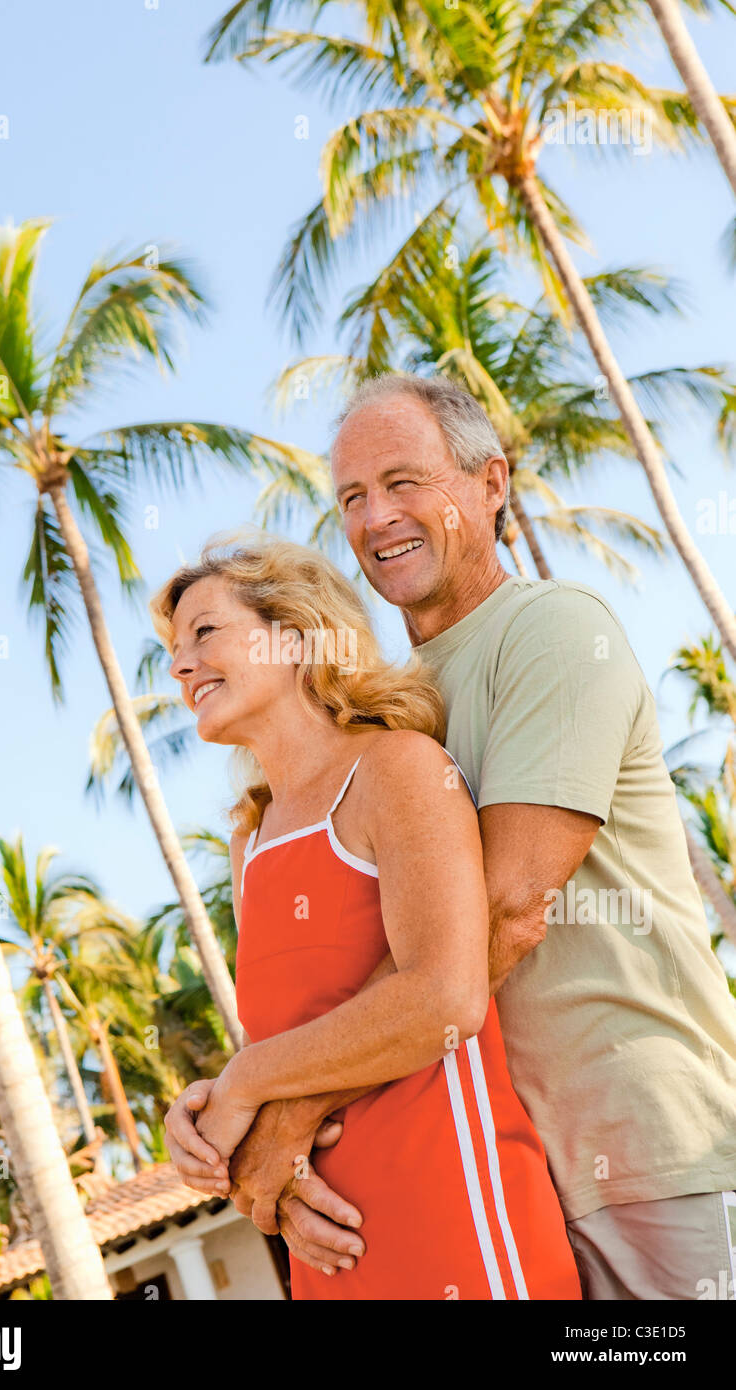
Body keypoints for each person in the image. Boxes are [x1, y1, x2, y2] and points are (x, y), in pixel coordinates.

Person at [166, 373, 736, 1301]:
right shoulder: (386, 713)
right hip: (509, 1176)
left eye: (404, 481)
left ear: (490, 484)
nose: (376, 515)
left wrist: (281, 1113)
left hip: (639, 1151)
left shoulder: (552, 631)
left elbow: (503, 913)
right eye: (352, 497)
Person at [151, 535, 581, 1300]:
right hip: (330, 1250)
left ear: (296, 635)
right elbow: (298, 1049)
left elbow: (445, 996)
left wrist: (246, 1079)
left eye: (205, 632)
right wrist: (218, 1125)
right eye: (174, 648)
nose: (181, 665)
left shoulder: (399, 769)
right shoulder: (250, 841)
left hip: (458, 1225)